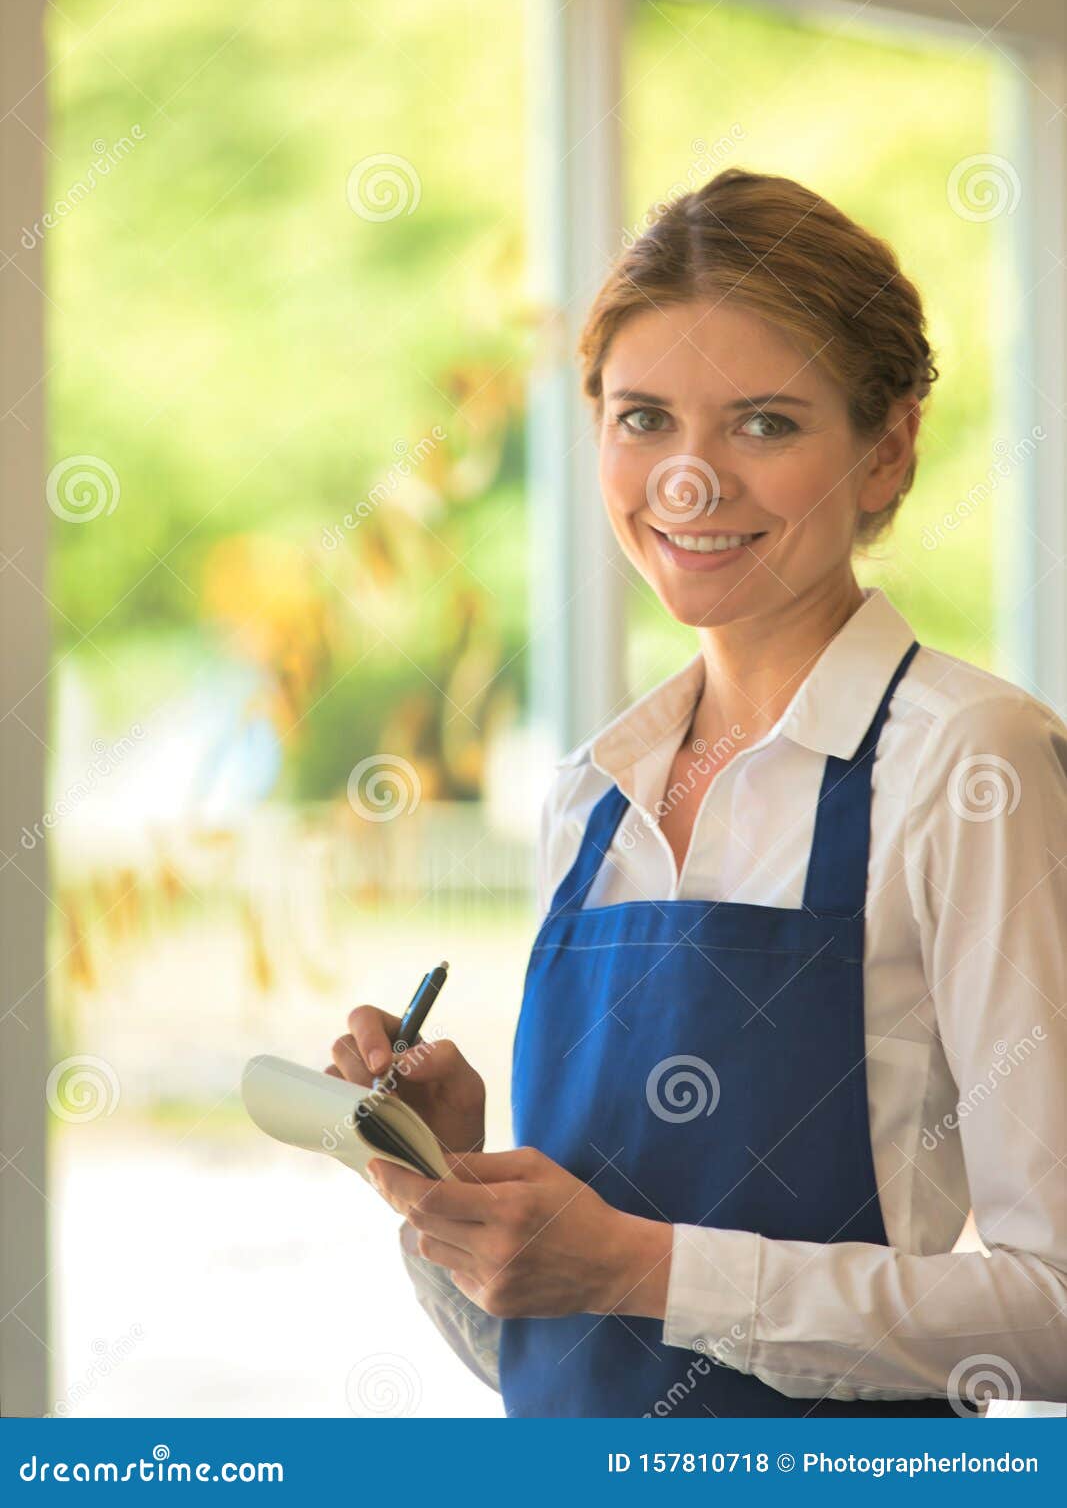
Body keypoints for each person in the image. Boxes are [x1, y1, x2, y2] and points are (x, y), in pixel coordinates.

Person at [328, 168, 1067, 1417]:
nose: (686, 480)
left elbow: (1050, 1311)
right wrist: (450, 1184)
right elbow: (560, 1358)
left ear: (885, 450)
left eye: (763, 424)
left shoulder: (966, 762)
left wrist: (641, 1265)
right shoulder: (590, 795)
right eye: (643, 418)